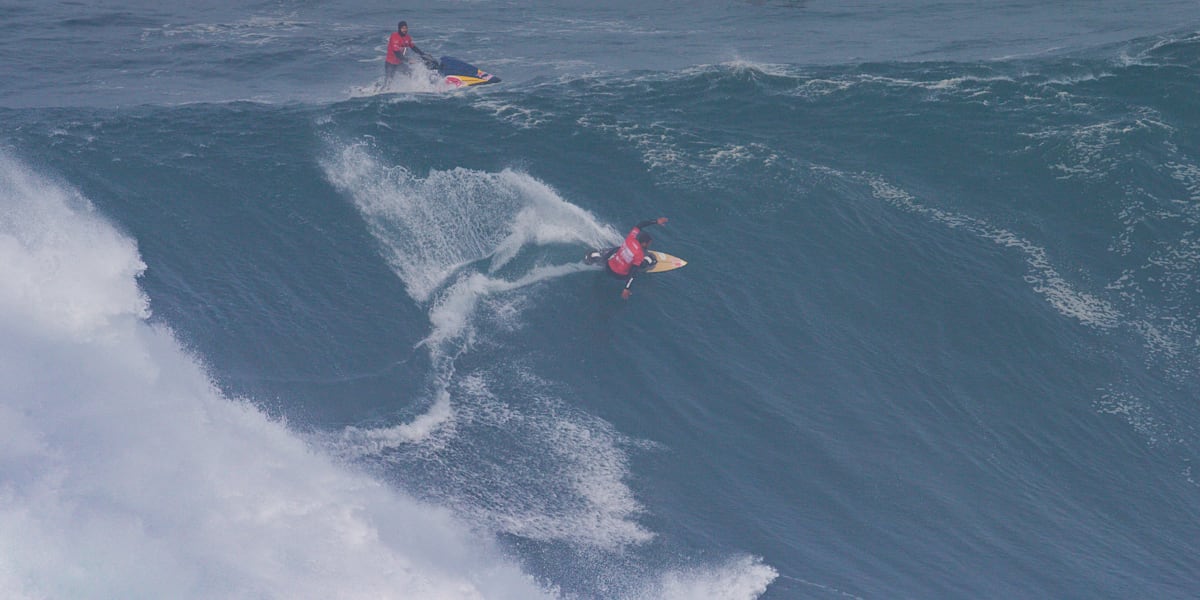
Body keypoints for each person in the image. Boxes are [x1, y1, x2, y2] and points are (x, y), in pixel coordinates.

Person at [584, 217, 668, 299]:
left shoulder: (630, 238)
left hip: (608, 267)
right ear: (644, 244)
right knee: (642, 263)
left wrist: (656, 221)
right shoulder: (639, 254)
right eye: (649, 243)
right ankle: (649, 260)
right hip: (619, 276)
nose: (649, 245)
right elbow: (633, 273)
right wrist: (626, 288)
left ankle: (597, 256)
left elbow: (640, 224)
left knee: (618, 249)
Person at [384, 21, 428, 86]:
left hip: (399, 63)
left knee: (411, 74)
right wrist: (408, 60)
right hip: (390, 63)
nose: (405, 30)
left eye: (406, 28)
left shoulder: (407, 37)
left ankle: (418, 87)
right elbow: (396, 53)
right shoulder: (394, 37)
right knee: (388, 82)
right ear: (399, 29)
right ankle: (378, 90)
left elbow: (413, 47)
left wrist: (423, 55)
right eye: (403, 28)